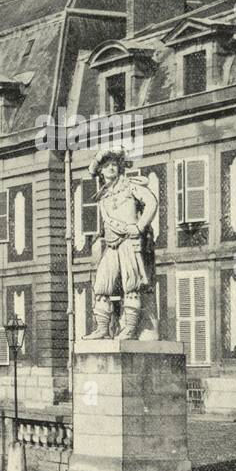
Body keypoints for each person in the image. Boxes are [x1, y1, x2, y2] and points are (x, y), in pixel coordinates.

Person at [86, 146, 158, 340]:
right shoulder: (103, 196)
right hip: (111, 244)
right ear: (100, 171)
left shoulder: (130, 185)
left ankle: (129, 329)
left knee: (131, 286)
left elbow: (151, 202)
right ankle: (102, 329)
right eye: (107, 165)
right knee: (101, 286)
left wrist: (140, 226)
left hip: (129, 241)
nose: (111, 168)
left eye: (114, 165)